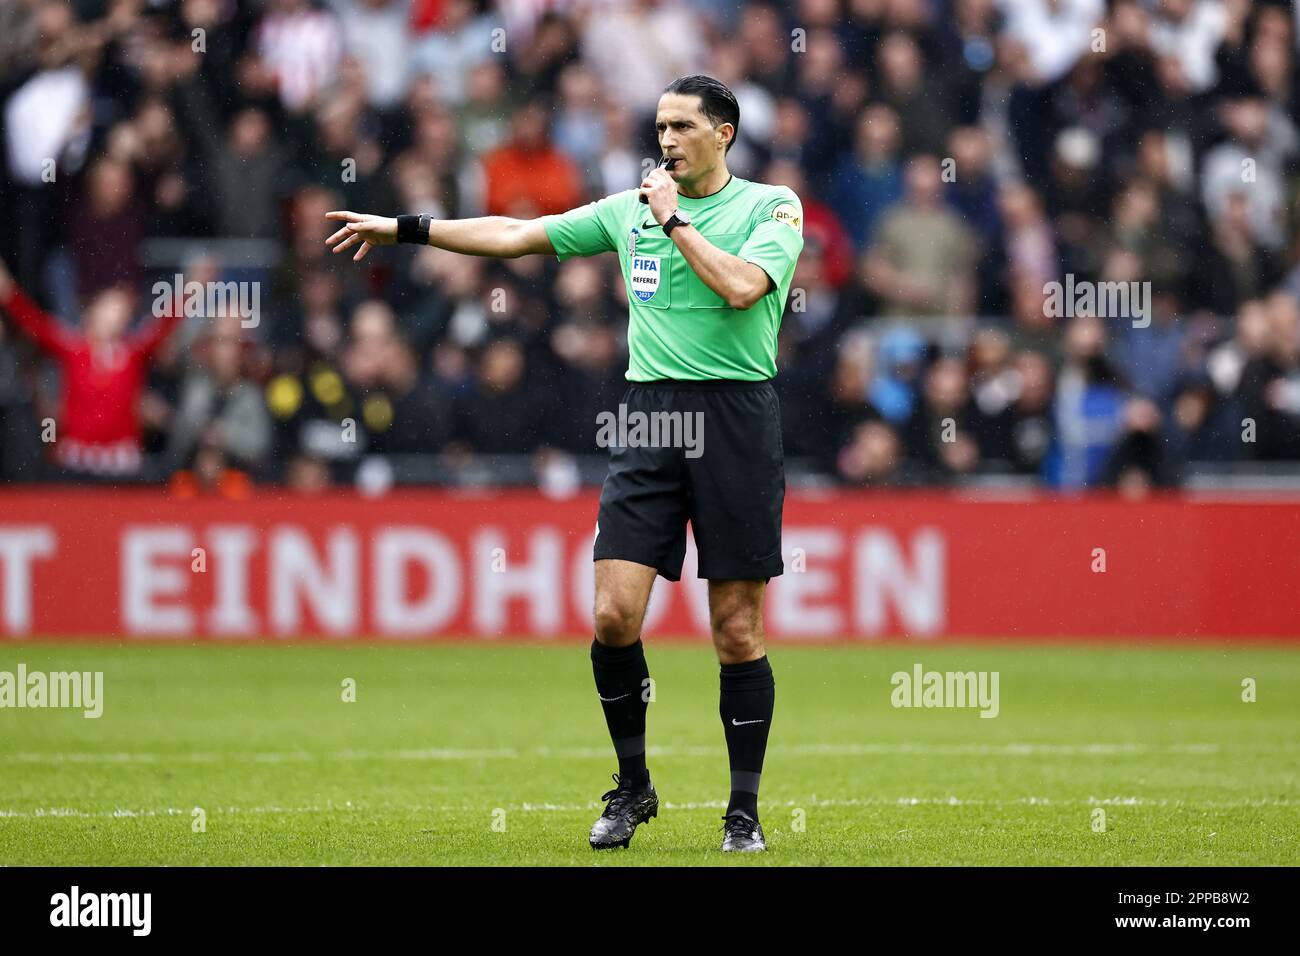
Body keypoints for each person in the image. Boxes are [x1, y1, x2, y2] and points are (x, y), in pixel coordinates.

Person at [325, 74, 804, 853]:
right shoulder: (628, 211)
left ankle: (742, 809)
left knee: (736, 630)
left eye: (683, 126)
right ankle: (634, 787)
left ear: (724, 133)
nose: (666, 139)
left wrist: (675, 222)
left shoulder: (771, 206)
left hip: (737, 420)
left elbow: (746, 288)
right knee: (614, 614)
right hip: (651, 416)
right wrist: (405, 229)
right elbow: (515, 235)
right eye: (659, 125)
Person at [0, 258, 181, 478]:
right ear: (93, 312)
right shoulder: (73, 347)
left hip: (121, 459)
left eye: (123, 310)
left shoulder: (132, 351)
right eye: (111, 307)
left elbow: (161, 326)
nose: (118, 315)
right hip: (78, 457)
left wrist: (191, 289)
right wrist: (7, 290)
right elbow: (35, 322)